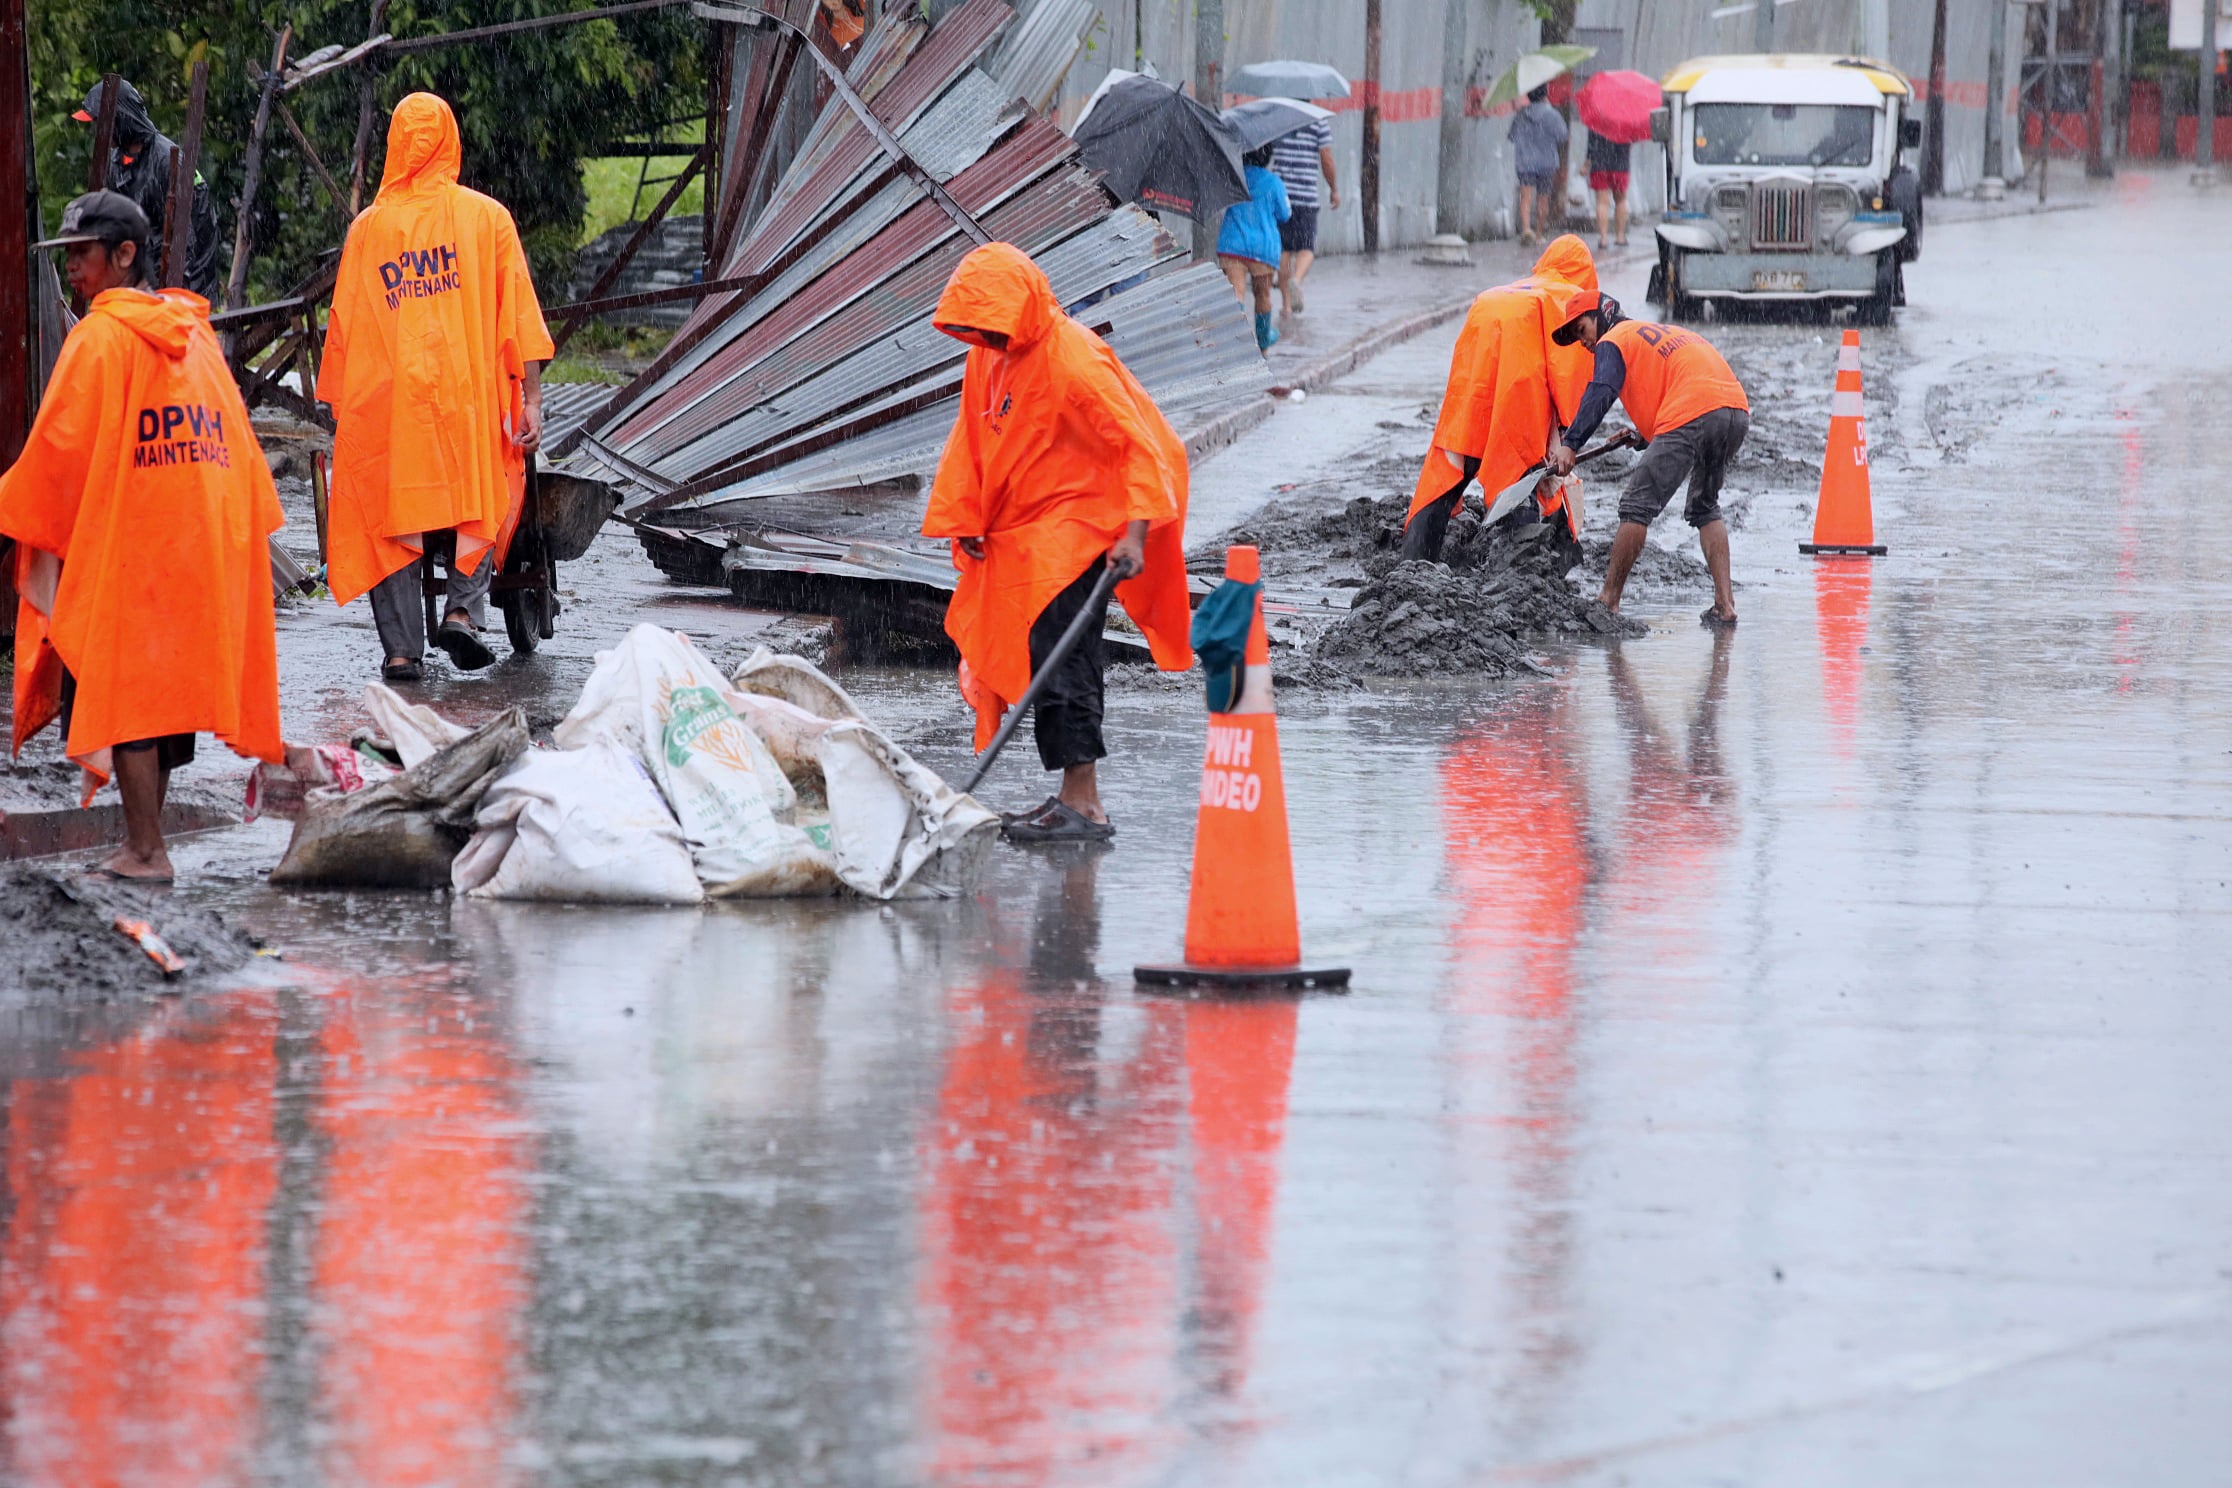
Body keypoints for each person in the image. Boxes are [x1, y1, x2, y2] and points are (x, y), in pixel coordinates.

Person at [0, 191, 284, 880]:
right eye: (66, 258)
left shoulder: (99, 337)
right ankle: (143, 843)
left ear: (123, 255)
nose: (74, 271)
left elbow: (59, 452)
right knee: (166, 695)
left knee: (123, 690)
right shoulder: (194, 338)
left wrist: (14, 509)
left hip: (136, 549)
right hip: (201, 544)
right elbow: (239, 455)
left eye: (82, 256)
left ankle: (146, 851)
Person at [922, 242, 1195, 843]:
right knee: (1042, 656)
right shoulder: (987, 355)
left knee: (1064, 657)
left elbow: (1139, 448)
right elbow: (972, 438)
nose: (984, 342)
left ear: (1018, 309)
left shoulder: (1074, 359)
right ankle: (1073, 798)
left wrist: (1134, 533)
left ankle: (1085, 804)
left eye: (991, 329)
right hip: (1025, 532)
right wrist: (967, 515)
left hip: (1081, 529)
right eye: (974, 330)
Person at [319, 92, 554, 682]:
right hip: (464, 403)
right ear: (450, 140)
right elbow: (520, 318)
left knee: (385, 510)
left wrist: (349, 414)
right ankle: (462, 612)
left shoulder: (367, 230)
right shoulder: (486, 218)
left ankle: (401, 650)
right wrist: (530, 398)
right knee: (486, 483)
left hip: (391, 409)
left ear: (395, 146)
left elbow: (346, 330)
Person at [1546, 293, 1750, 625]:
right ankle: (1725, 605)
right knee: (1704, 506)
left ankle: (1608, 600)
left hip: (1692, 412)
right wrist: (1644, 434)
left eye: (1582, 330)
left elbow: (1602, 390)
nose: (1584, 343)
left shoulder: (1614, 339)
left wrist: (1570, 444)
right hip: (1734, 411)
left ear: (1601, 315)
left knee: (1636, 506)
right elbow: (1678, 382)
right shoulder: (1656, 333)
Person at [1402, 234, 1598, 562]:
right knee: (1517, 474)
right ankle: (1519, 574)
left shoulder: (1500, 293)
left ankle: (1413, 562)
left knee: (1449, 474)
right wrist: (1569, 430)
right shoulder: (1568, 298)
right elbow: (1570, 377)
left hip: (1471, 395)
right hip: (1518, 399)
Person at [72, 78, 221, 299]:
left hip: (185, 273)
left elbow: (187, 240)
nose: (98, 131)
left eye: (101, 123)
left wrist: (171, 292)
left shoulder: (166, 159)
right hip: (145, 270)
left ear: (120, 120)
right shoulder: (116, 161)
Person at [1216, 145, 1291, 354]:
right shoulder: (1274, 182)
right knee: (1263, 295)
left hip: (1233, 244)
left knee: (1236, 292)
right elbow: (1285, 214)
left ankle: (1235, 342)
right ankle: (1264, 342)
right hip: (1263, 248)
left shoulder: (1233, 177)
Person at [1270, 113, 1338, 314]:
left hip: (1282, 195)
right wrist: (1334, 188)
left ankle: (1286, 306)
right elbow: (1326, 158)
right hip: (1306, 196)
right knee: (1306, 248)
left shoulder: (1277, 120)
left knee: (1284, 250)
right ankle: (1296, 279)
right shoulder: (1318, 121)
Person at [1508, 83, 1569, 247]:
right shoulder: (1552, 115)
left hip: (1525, 161)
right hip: (1547, 162)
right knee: (1543, 199)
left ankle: (1526, 229)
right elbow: (1563, 136)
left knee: (1526, 197)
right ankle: (1539, 234)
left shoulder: (1521, 115)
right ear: (1544, 95)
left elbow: (1512, 136)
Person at [1586, 129, 1632, 250]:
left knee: (1602, 203)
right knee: (1621, 201)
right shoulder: (1624, 119)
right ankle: (1620, 237)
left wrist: (1587, 163)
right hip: (1621, 165)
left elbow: (1591, 144)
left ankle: (1603, 239)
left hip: (1599, 165)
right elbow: (1632, 139)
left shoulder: (1596, 119)